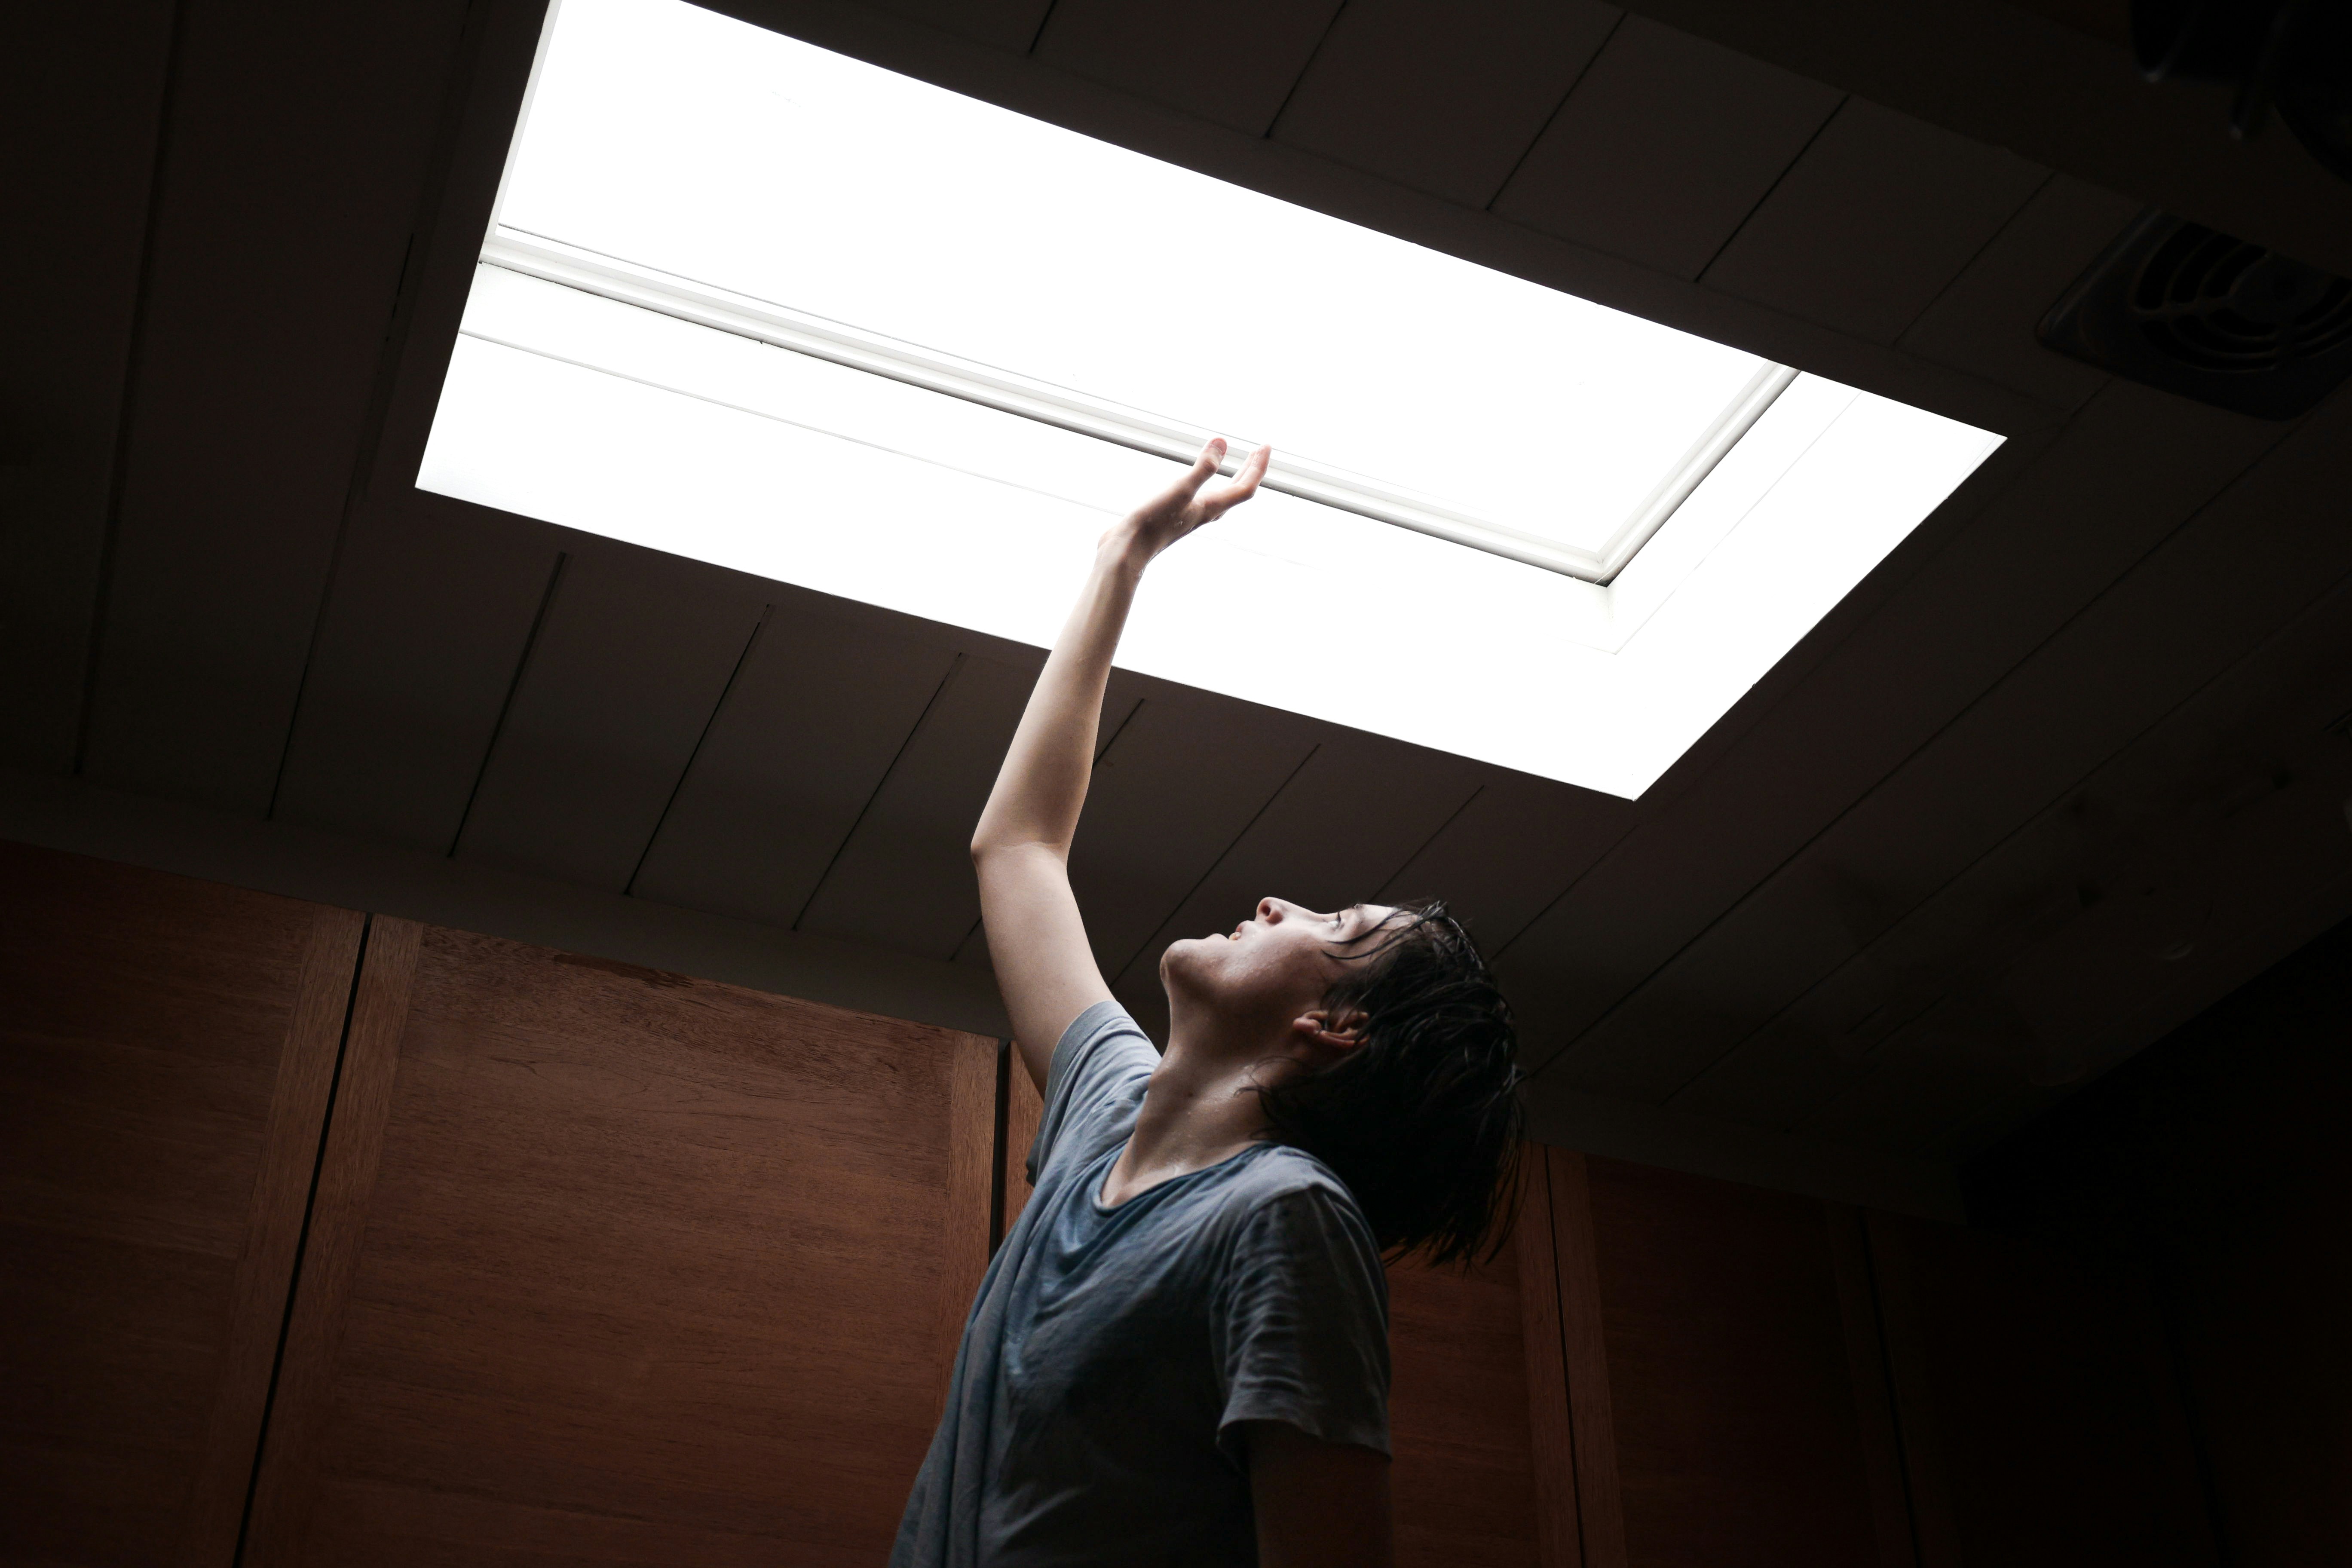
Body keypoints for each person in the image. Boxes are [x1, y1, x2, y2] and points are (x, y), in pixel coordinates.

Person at [891, 440, 1524, 1568]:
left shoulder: (1285, 1219)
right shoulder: (1104, 1114)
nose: (1278, 900)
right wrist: (1123, 557)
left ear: (1333, 1032)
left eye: (1331, 929)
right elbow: (1019, 847)